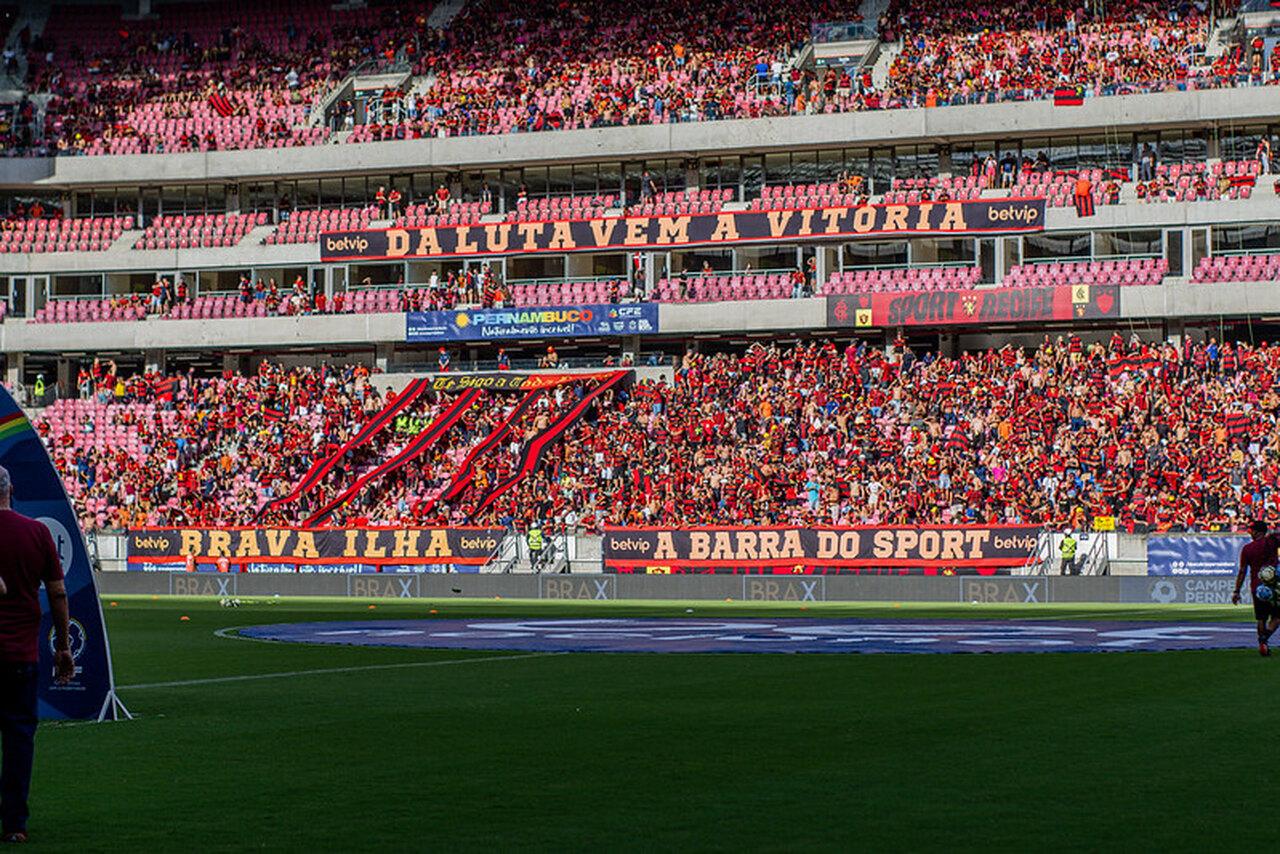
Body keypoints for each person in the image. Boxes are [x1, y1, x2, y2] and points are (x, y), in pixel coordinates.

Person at [0, 465, 74, 843]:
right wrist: (63, 646)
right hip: (19, 657)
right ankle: (14, 824)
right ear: (10, 489)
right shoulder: (36, 532)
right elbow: (59, 593)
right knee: (18, 739)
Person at [1232, 519, 1280, 656]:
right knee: (1277, 617)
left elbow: (1242, 571)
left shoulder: (1247, 549)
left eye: (1251, 531)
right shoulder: (1271, 541)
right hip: (1274, 586)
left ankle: (1262, 643)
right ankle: (1264, 639)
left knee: (1261, 618)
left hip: (1257, 586)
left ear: (1257, 532)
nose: (1250, 533)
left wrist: (1237, 591)